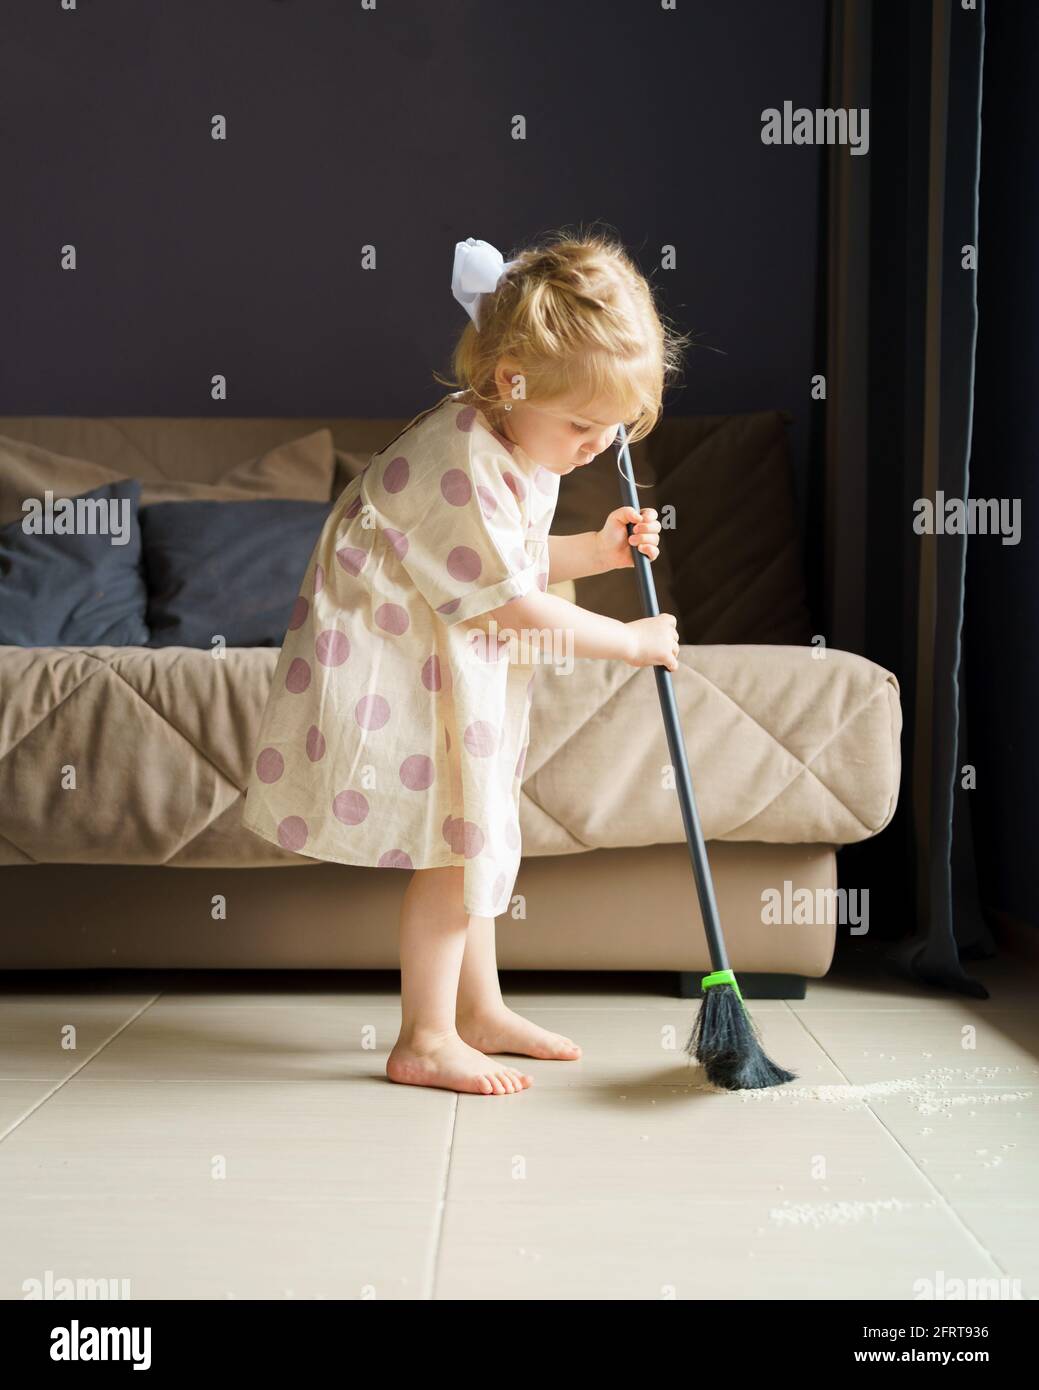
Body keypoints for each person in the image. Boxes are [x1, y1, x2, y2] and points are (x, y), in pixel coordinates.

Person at [242, 230, 688, 1095]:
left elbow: (504, 564)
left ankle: (477, 1009)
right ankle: (424, 1035)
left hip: (448, 641)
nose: (597, 446)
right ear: (508, 378)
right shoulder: (463, 454)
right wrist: (631, 643)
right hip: (396, 662)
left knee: (475, 833)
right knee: (456, 845)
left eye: (612, 428)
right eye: (583, 425)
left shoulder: (520, 439)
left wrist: (594, 552)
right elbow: (510, 603)